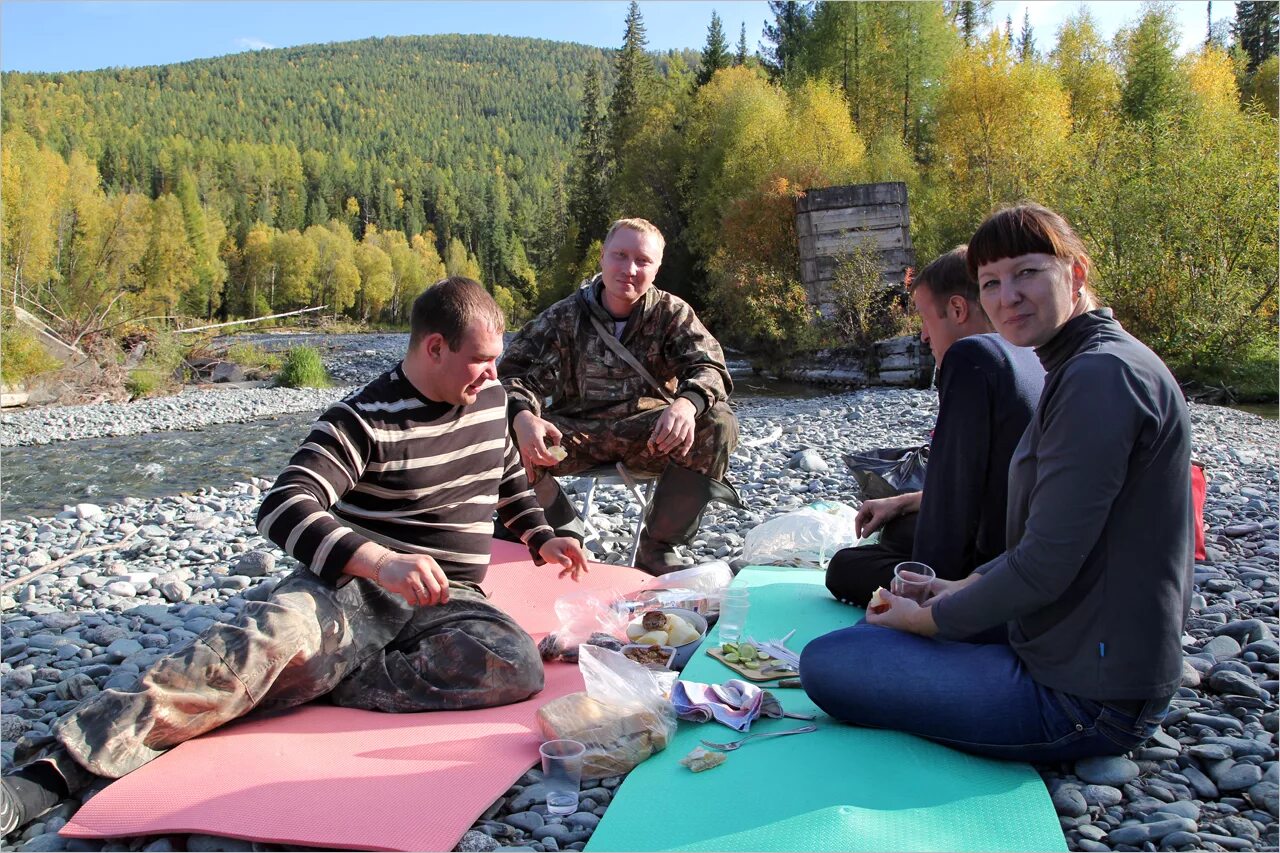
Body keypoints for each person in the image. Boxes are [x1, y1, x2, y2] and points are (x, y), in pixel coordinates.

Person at [0, 277, 588, 837]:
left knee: (517, 665)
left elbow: (504, 470)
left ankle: (324, 676)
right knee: (251, 651)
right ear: (435, 347)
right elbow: (283, 507)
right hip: (357, 590)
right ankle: (56, 770)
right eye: (482, 359)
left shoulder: (491, 399)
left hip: (449, 596)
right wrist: (380, 562)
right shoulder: (361, 419)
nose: (493, 374)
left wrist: (539, 536)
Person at [801, 204, 1193, 761]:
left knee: (828, 663)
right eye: (991, 281)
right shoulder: (1083, 363)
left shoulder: (1101, 377)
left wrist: (933, 619)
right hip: (1070, 641)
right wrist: (957, 589)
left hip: (1090, 697)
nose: (1007, 295)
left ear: (1076, 273)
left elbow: (1044, 564)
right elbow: (1048, 543)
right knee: (868, 639)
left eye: (1028, 272)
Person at [499, 218, 741, 576]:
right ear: (602, 257)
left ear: (657, 268)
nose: (629, 269)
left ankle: (659, 547)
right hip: (572, 435)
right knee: (497, 427)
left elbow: (711, 368)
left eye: (642, 261)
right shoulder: (564, 317)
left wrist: (686, 405)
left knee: (718, 421)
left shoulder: (672, 314)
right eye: (620, 256)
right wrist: (523, 416)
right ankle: (555, 528)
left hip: (650, 435)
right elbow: (511, 375)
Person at [825, 247, 1044, 605]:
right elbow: (988, 484)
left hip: (988, 568)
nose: (924, 337)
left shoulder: (971, 358)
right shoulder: (1030, 350)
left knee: (845, 566)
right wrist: (904, 502)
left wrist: (926, 598)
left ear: (957, 309)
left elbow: (953, 513)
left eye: (926, 320)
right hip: (1021, 537)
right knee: (896, 526)